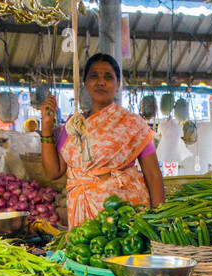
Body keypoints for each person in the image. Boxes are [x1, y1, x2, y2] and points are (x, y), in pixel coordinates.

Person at [40, 53, 165, 227]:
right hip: (83, 217)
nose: (100, 82)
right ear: (85, 84)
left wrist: (159, 222)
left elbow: (153, 175)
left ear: (118, 85)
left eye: (108, 77)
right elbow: (53, 172)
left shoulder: (133, 124)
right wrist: (46, 125)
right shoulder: (74, 125)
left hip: (125, 216)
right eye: (94, 76)